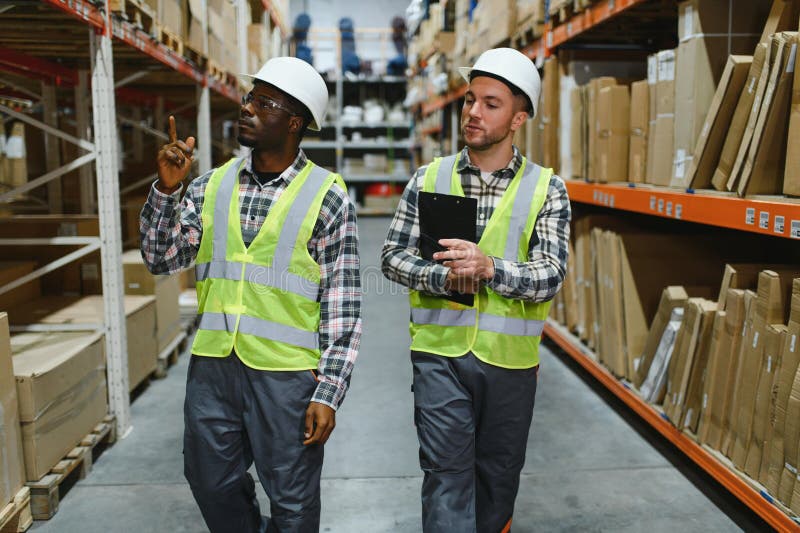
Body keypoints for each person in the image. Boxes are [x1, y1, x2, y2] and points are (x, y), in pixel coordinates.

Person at [140, 57, 362, 533]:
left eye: (263, 103)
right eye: (249, 98)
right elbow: (162, 259)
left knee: (292, 497)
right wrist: (166, 190)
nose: (247, 108)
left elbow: (343, 303)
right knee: (209, 479)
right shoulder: (210, 185)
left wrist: (330, 391)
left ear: (295, 121)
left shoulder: (327, 195)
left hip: (285, 375)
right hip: (213, 366)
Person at [381, 47, 571, 532]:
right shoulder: (430, 178)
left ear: (518, 118)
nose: (472, 113)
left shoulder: (546, 189)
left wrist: (491, 269)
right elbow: (392, 258)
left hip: (509, 365)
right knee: (445, 476)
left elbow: (550, 273)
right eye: (469, 100)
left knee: (498, 481)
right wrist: (439, 276)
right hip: (439, 356)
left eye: (491, 103)